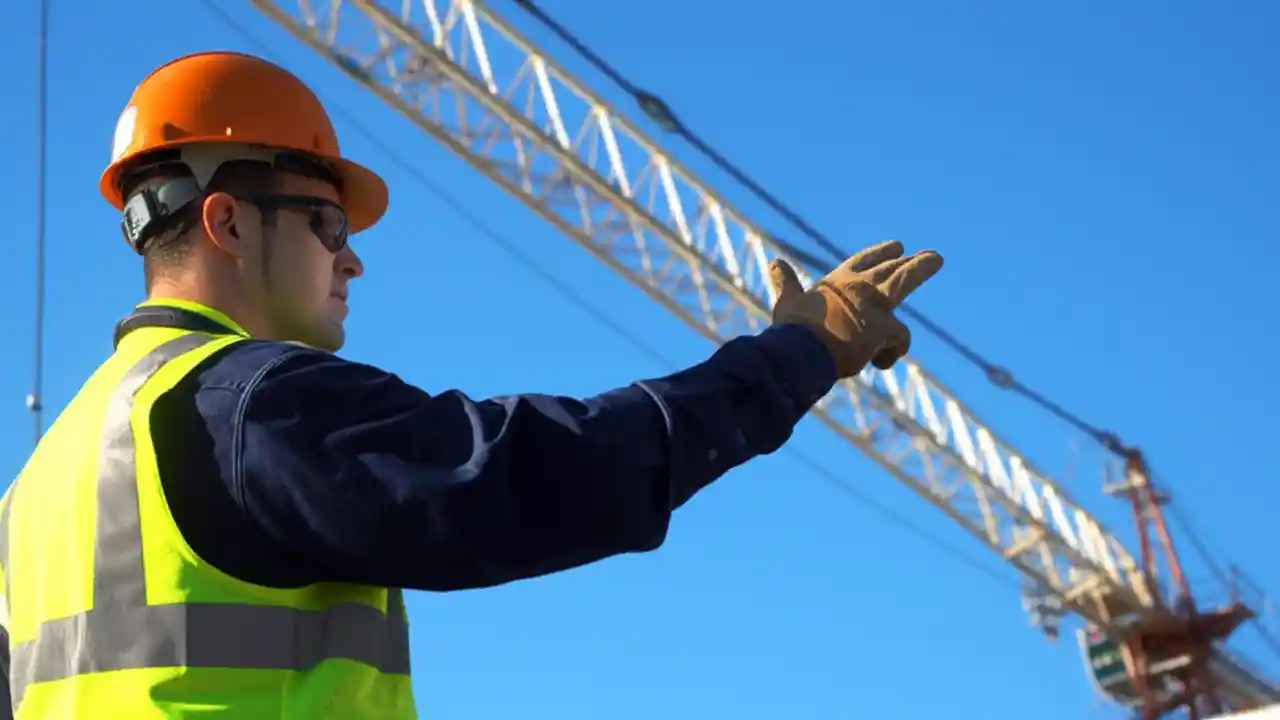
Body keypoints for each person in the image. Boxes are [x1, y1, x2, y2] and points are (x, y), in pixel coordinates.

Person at [0, 50, 942, 718]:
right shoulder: (250, 404)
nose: (351, 260)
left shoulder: (41, 488)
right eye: (329, 225)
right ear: (231, 225)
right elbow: (528, 477)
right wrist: (796, 356)